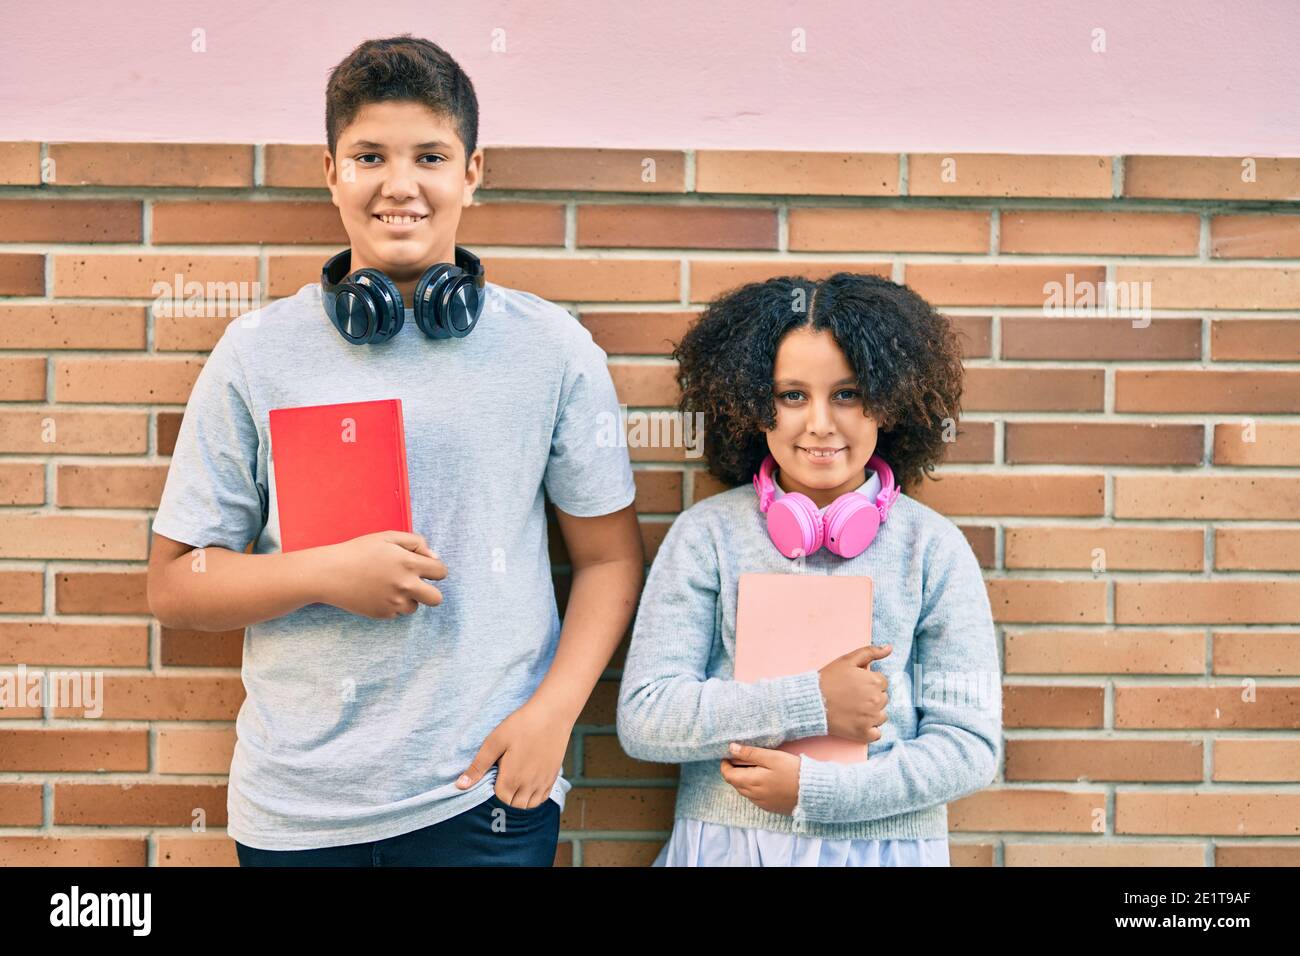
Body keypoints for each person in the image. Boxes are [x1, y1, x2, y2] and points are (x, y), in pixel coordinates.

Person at [146, 35, 644, 866]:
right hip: (296, 808)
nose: (400, 185)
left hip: (485, 794)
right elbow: (174, 583)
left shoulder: (552, 349)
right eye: (370, 155)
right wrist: (323, 574)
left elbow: (609, 560)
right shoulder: (256, 352)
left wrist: (552, 717)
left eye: (430, 156)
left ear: (472, 173)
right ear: (331, 170)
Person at [616, 273, 1001, 866]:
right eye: (792, 395)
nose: (820, 422)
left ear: (891, 399)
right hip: (729, 846)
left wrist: (816, 793)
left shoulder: (934, 549)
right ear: (750, 400)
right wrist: (810, 702)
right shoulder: (707, 536)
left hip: (887, 849)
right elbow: (647, 716)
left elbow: (971, 747)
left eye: (846, 394)